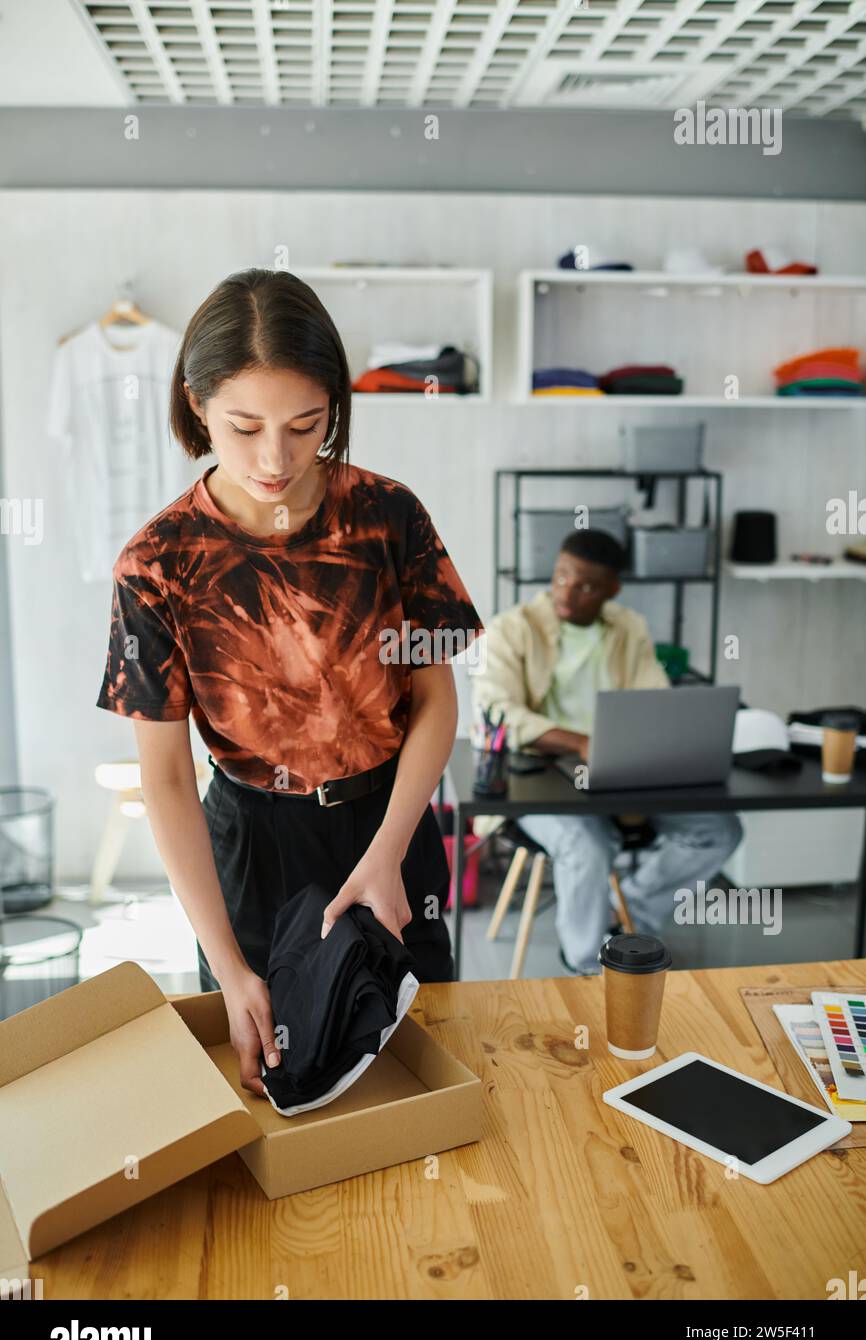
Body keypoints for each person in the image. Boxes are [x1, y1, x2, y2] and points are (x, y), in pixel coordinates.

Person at [97, 267, 483, 1095]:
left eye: (306, 426)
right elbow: (163, 778)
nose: (274, 459)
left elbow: (435, 701)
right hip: (252, 846)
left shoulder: (391, 517)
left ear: (334, 409)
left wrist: (386, 857)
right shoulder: (155, 563)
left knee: (421, 1075)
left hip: (393, 822)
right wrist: (229, 968)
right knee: (276, 1086)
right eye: (243, 427)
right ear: (196, 404)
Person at [470, 529, 742, 975]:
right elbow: (497, 711)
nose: (567, 593)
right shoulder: (513, 629)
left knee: (719, 829)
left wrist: (645, 741)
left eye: (586, 586)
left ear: (612, 589)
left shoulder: (627, 628)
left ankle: (628, 910)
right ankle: (587, 964)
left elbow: (654, 698)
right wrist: (579, 743)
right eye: (560, 578)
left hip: (622, 773)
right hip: (538, 779)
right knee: (586, 844)